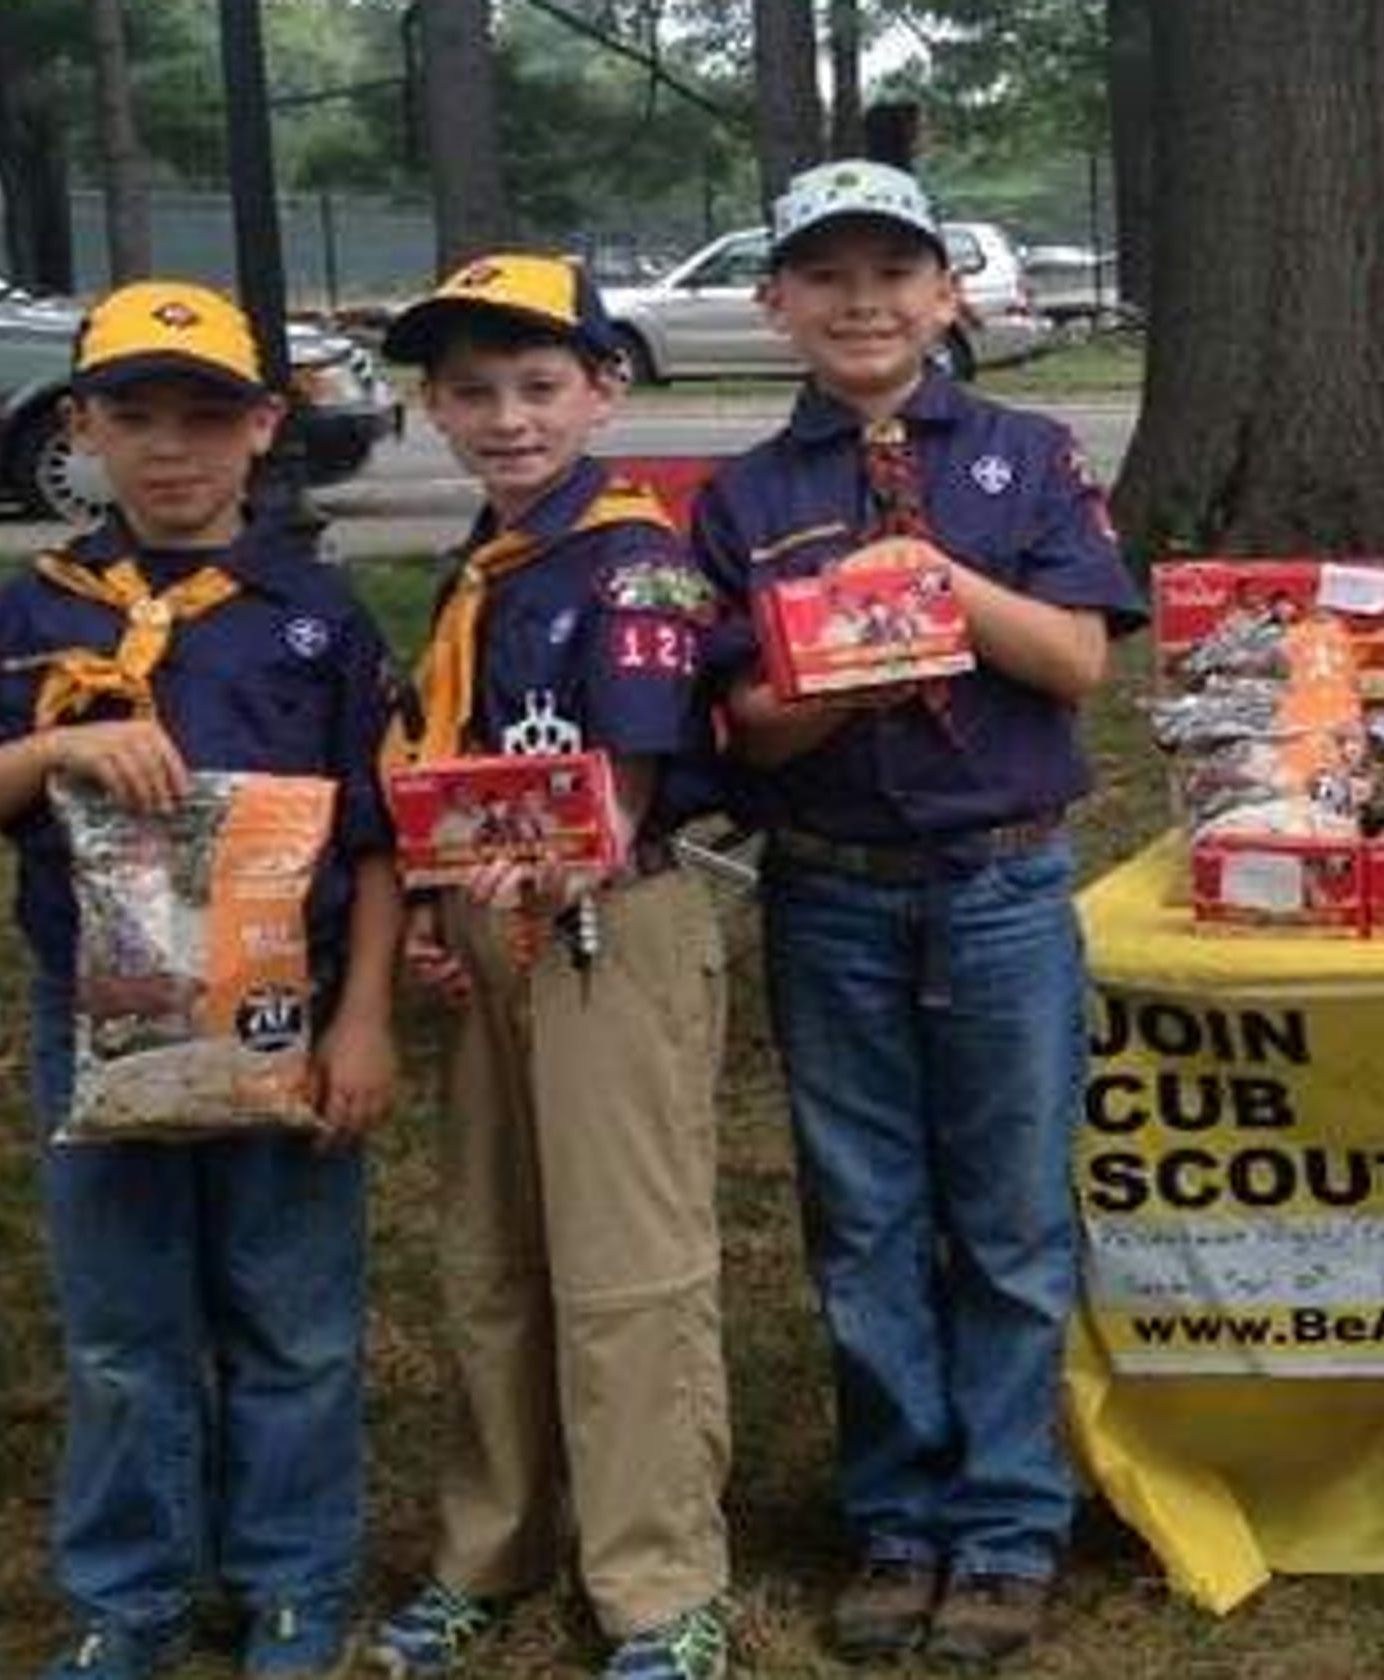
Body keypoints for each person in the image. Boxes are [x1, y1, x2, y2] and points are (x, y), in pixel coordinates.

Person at [688, 160, 1146, 1668]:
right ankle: (895, 1515)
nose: (863, 300)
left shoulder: (1026, 455)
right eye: (826, 275)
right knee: (866, 1217)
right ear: (778, 305)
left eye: (895, 271)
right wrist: (838, 676)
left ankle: (1008, 1523)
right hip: (830, 892)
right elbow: (741, 729)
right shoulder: (747, 497)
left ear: (951, 295)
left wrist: (929, 583)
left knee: (1010, 1220)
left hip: (1003, 882)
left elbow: (1078, 663)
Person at [0, 281, 401, 1680]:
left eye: (205, 417)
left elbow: (376, 840)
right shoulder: (23, 617)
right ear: (84, 428)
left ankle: (295, 1578)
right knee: (125, 1324)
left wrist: (363, 1019)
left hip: (281, 1011)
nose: (171, 449)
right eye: (135, 417)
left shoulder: (317, 619)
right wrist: (54, 752)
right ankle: (130, 1593)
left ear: (262, 428)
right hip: (100, 1022)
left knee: (292, 1313)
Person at [364, 254, 734, 1680]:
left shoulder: (630, 552)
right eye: (472, 392)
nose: (508, 418)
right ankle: (496, 1541)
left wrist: (594, 843)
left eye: (537, 385)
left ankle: (657, 1582)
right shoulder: (489, 555)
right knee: (490, 1252)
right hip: (488, 917)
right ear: (435, 408)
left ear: (603, 388)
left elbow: (630, 751)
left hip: (601, 923)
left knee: (626, 1266)